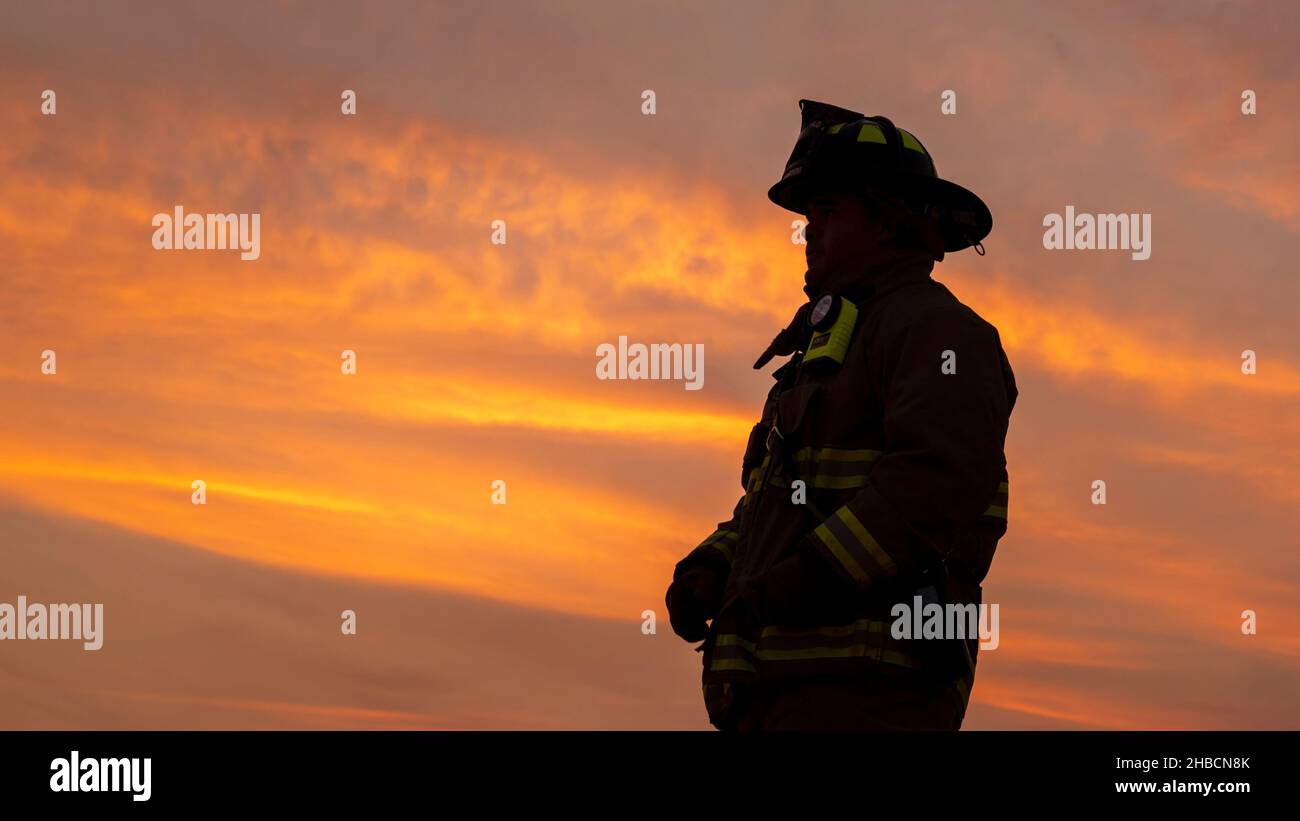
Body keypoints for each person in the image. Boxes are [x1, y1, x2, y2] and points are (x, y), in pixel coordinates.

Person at [666, 100, 1018, 731]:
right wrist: (714, 563)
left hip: (872, 692)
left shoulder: (937, 332)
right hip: (781, 694)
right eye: (808, 215)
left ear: (885, 221)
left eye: (828, 212)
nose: (809, 232)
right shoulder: (831, 347)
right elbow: (776, 502)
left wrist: (806, 578)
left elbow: (934, 489)